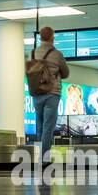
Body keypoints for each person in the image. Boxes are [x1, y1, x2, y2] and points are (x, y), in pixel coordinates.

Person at [25, 25, 69, 164]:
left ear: (40, 37)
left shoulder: (33, 53)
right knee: (48, 127)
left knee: (39, 126)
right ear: (52, 37)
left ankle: (39, 156)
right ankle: (44, 160)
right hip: (52, 93)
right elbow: (66, 73)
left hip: (36, 93)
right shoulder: (57, 54)